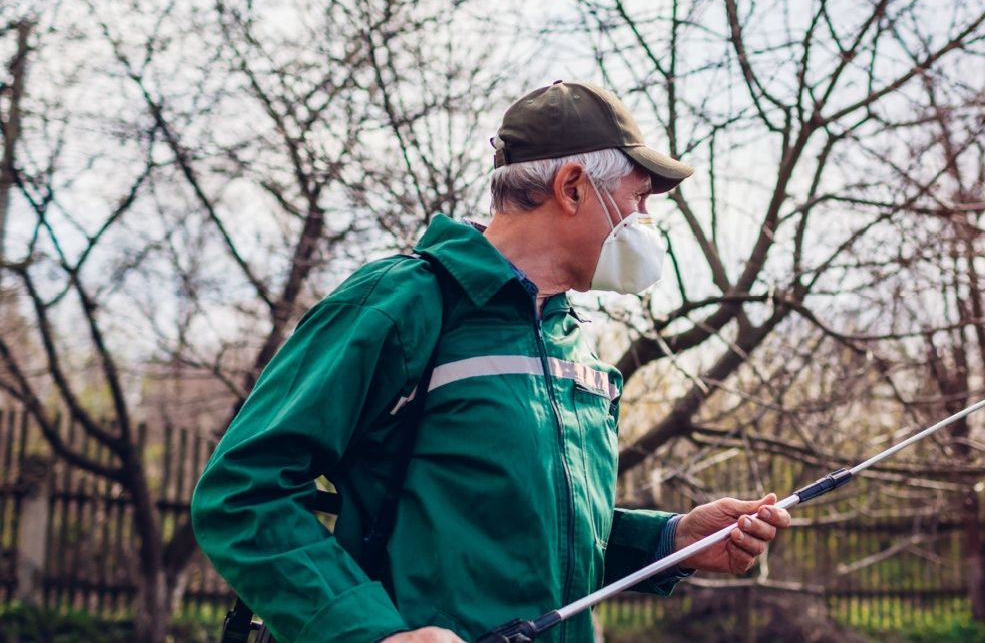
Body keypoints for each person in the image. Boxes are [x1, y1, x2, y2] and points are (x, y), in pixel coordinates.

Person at [191, 81, 791, 643]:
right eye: (638, 199)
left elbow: (520, 531)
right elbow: (243, 493)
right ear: (574, 186)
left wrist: (671, 540)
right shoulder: (401, 304)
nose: (646, 225)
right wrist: (372, 632)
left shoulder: (570, 337)